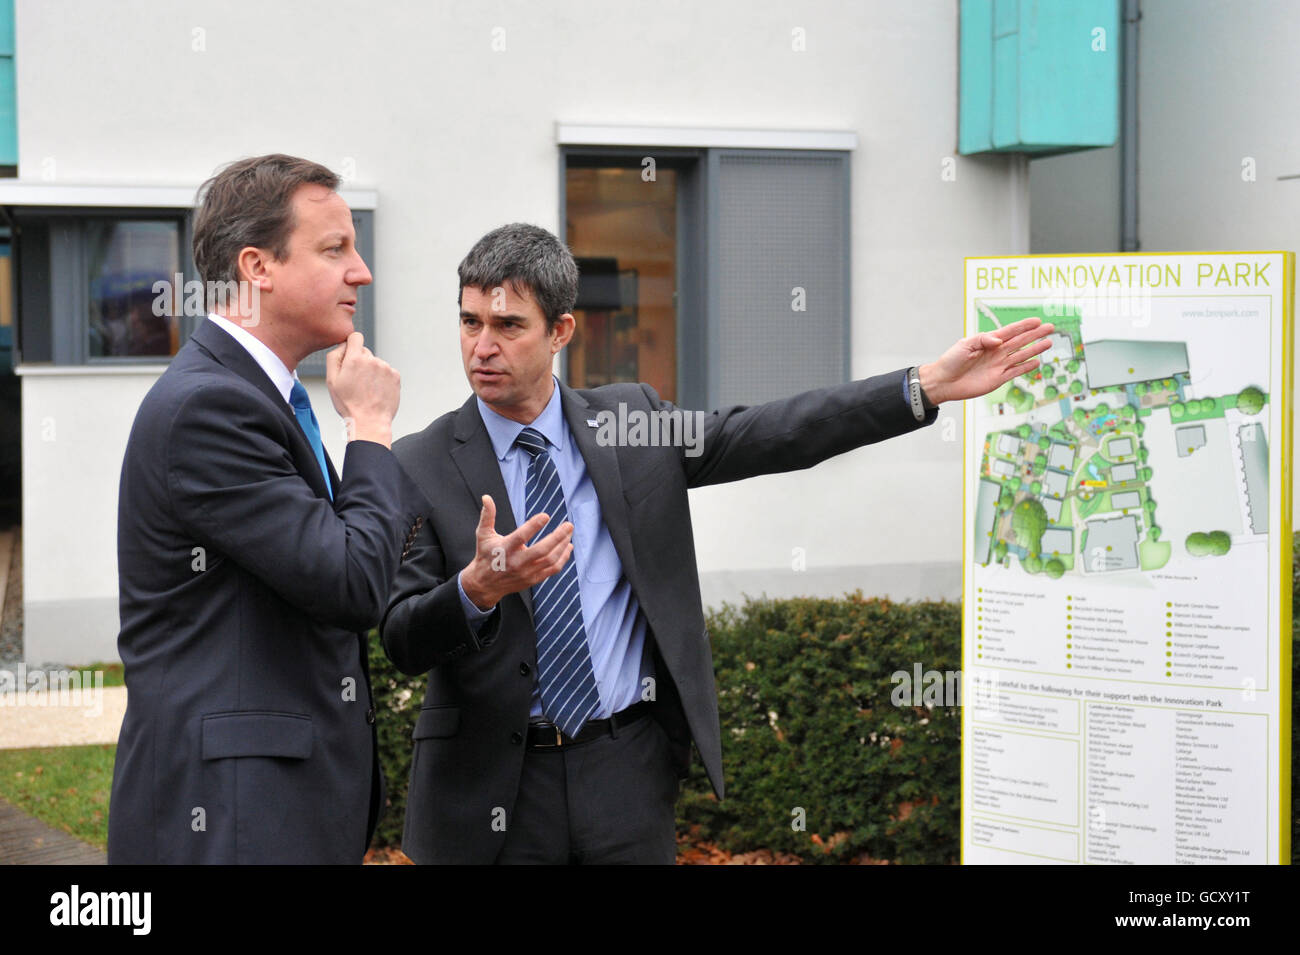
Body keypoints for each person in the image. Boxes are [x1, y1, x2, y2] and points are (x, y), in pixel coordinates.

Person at [381, 223, 1053, 864]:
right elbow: (401, 637)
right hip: (492, 792)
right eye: (469, 321)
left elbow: (772, 431)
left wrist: (921, 387)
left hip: (626, 772)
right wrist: (476, 590)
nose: (482, 346)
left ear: (560, 331)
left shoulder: (631, 423)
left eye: (507, 325)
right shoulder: (421, 461)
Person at [109, 154, 428, 864]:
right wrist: (371, 429)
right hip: (234, 819)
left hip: (268, 810)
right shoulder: (210, 408)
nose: (362, 272)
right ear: (257, 267)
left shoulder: (256, 397)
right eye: (335, 248)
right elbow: (351, 582)